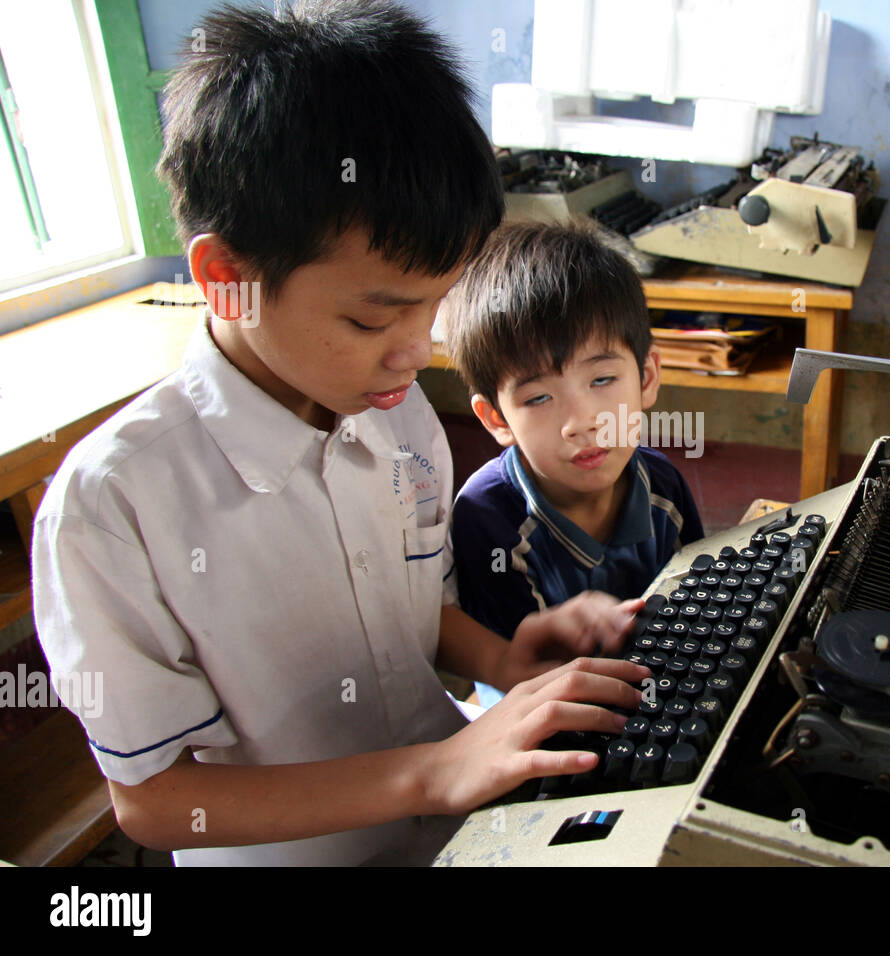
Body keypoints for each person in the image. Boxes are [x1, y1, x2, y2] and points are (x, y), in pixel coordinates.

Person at [30, 0, 647, 866]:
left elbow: (412, 617)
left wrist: (504, 661)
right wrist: (430, 773)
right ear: (226, 277)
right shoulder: (112, 508)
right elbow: (155, 799)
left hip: (459, 831)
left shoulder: (397, 427)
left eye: (436, 306)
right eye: (372, 318)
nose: (416, 352)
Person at [443, 220, 704, 707]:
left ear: (646, 379)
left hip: (649, 688)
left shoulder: (662, 485)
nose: (580, 422)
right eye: (539, 397)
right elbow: (529, 680)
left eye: (602, 380)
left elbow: (695, 604)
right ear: (496, 418)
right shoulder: (489, 519)